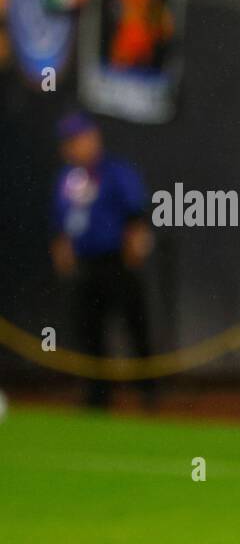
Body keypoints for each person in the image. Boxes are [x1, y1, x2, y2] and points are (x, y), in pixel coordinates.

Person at [49, 111, 155, 410]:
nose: (73, 146)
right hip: (86, 264)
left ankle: (148, 391)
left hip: (116, 261)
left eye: (79, 139)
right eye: (68, 142)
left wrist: (133, 253)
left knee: (134, 326)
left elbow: (135, 216)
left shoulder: (116, 172)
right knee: (89, 331)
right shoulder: (67, 179)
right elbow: (60, 224)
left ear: (93, 138)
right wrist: (63, 253)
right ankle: (98, 394)